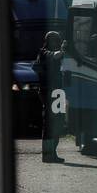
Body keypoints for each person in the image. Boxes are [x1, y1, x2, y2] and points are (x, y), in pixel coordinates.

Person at [33, 31, 64, 163]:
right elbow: (55, 56)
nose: (57, 43)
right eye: (56, 40)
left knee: (57, 122)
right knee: (50, 124)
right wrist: (64, 49)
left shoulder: (47, 53)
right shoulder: (44, 53)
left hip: (57, 92)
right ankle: (48, 154)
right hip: (49, 92)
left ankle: (52, 153)